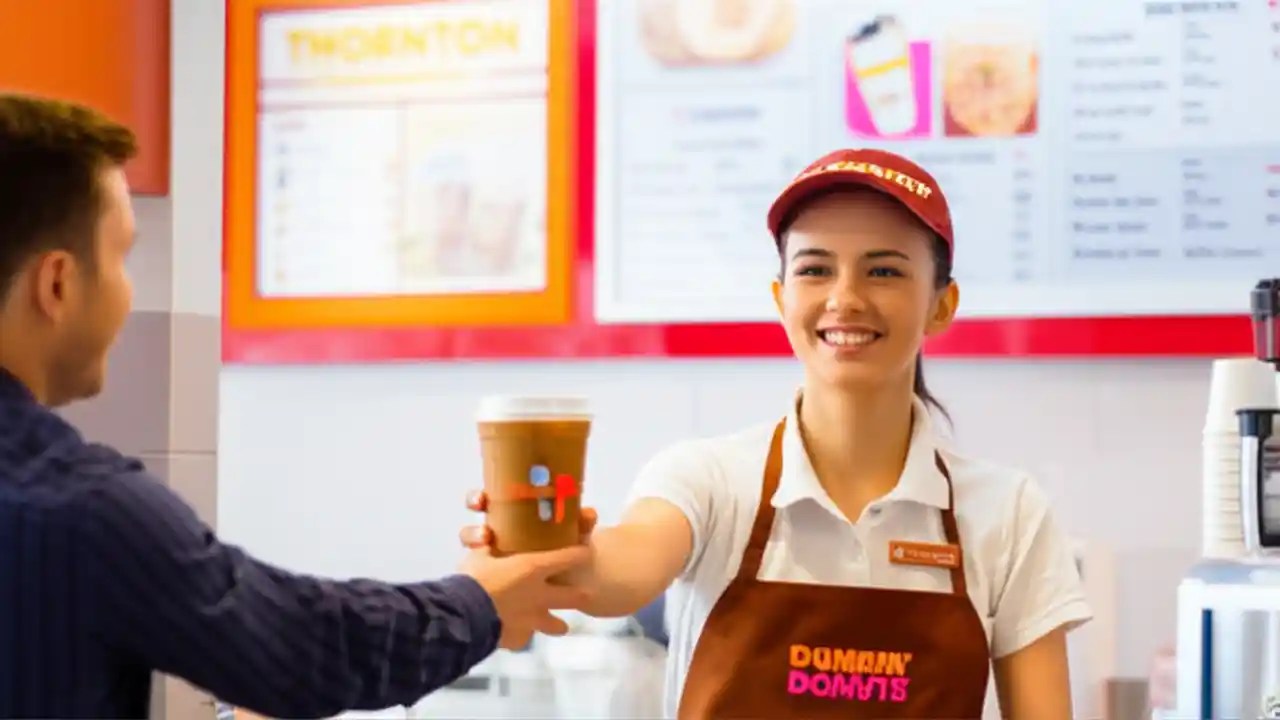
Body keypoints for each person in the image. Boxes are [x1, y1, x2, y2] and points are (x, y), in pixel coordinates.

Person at [0, 93, 592, 719]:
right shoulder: (82, 509)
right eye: (122, 256)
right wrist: (479, 603)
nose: (128, 289)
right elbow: (307, 650)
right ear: (58, 284)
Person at [463, 148, 1093, 718]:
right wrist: (545, 542)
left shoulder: (1006, 513)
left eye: (884, 272)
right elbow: (617, 574)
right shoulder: (709, 479)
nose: (844, 298)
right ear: (780, 297)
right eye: (815, 270)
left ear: (942, 304)